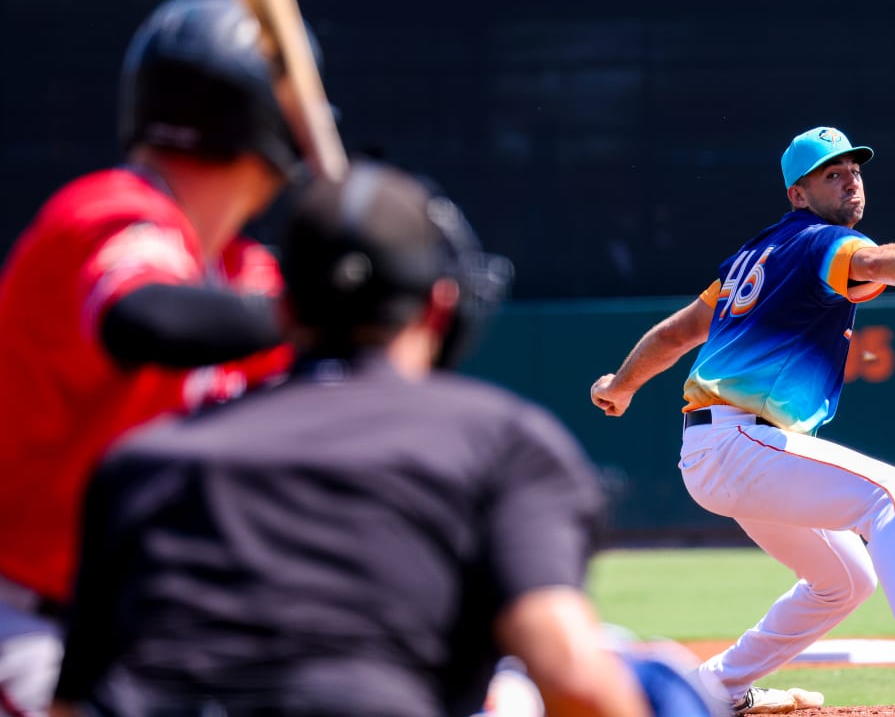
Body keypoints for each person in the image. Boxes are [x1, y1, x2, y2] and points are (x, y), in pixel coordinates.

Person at [50, 161, 658, 717]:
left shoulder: (142, 463)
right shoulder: (499, 441)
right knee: (654, 683)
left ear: (282, 308)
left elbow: (73, 706)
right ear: (439, 309)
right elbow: (576, 681)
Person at [590, 127, 895, 717]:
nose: (849, 179)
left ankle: (714, 688)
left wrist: (620, 386)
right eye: (831, 174)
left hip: (729, 451)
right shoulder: (819, 241)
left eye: (854, 170)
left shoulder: (752, 259)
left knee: (845, 581)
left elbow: (678, 333)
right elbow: (880, 261)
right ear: (798, 195)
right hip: (740, 442)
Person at [0, 0, 302, 716]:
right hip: (27, 618)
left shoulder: (240, 271)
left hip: (154, 624)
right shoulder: (111, 209)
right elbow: (143, 318)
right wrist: (325, 307)